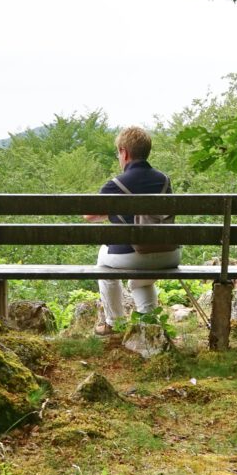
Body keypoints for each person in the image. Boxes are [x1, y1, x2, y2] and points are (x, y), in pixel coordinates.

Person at [84, 126, 177, 333]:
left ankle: (114, 323)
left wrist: (110, 212)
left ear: (124, 152)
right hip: (168, 254)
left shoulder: (116, 184)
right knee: (140, 280)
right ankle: (149, 324)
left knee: (103, 264)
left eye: (119, 152)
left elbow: (89, 215)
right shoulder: (164, 180)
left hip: (136, 256)